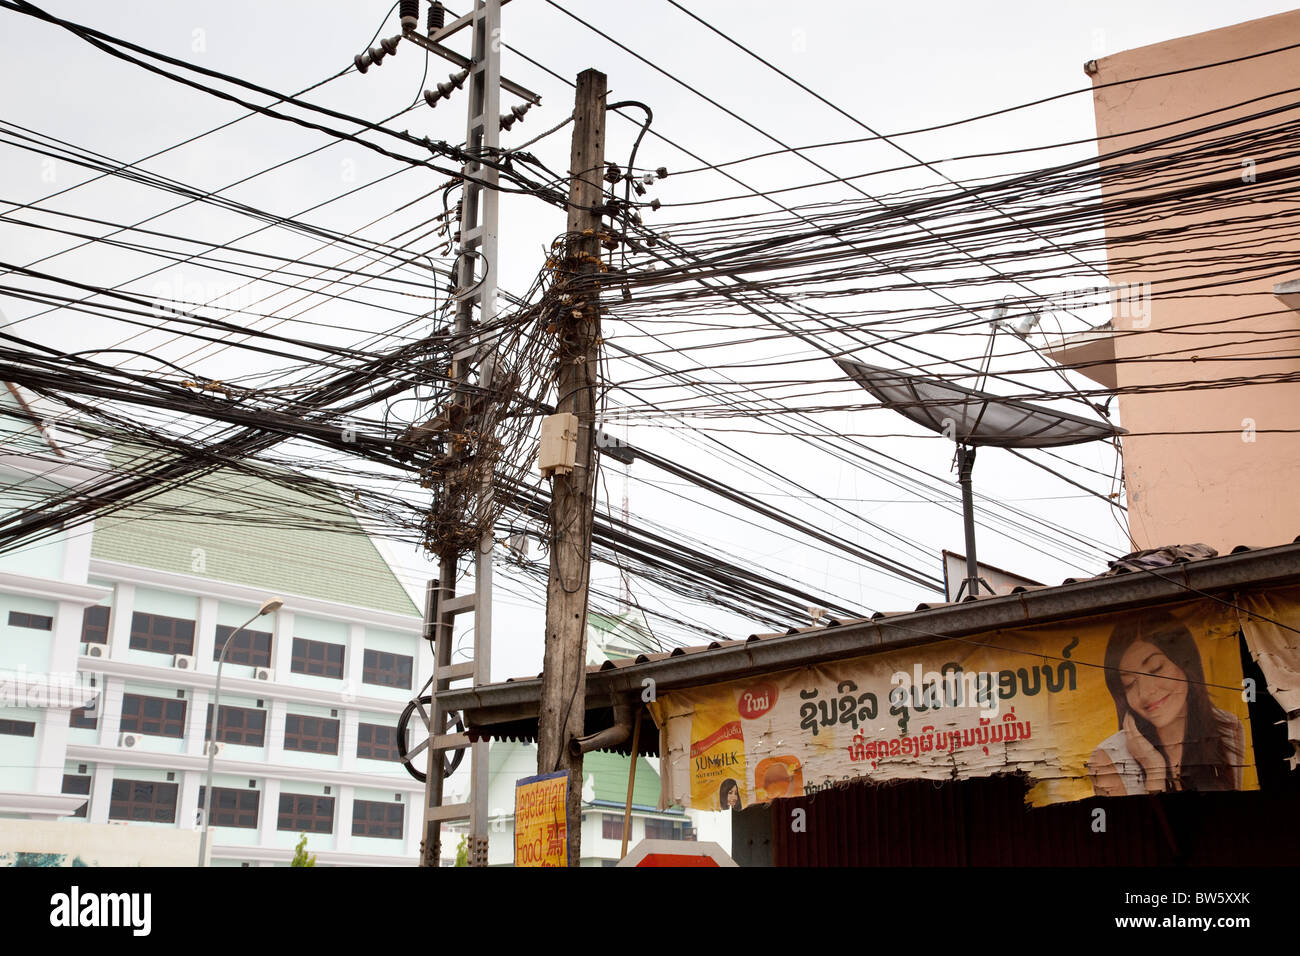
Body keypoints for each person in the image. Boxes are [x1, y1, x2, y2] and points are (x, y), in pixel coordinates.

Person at [1088, 610, 1245, 796]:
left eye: (1155, 669)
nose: (1145, 693)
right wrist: (1154, 769)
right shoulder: (1108, 758)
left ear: (1185, 663)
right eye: (1129, 684)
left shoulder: (1227, 727)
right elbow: (1136, 826)